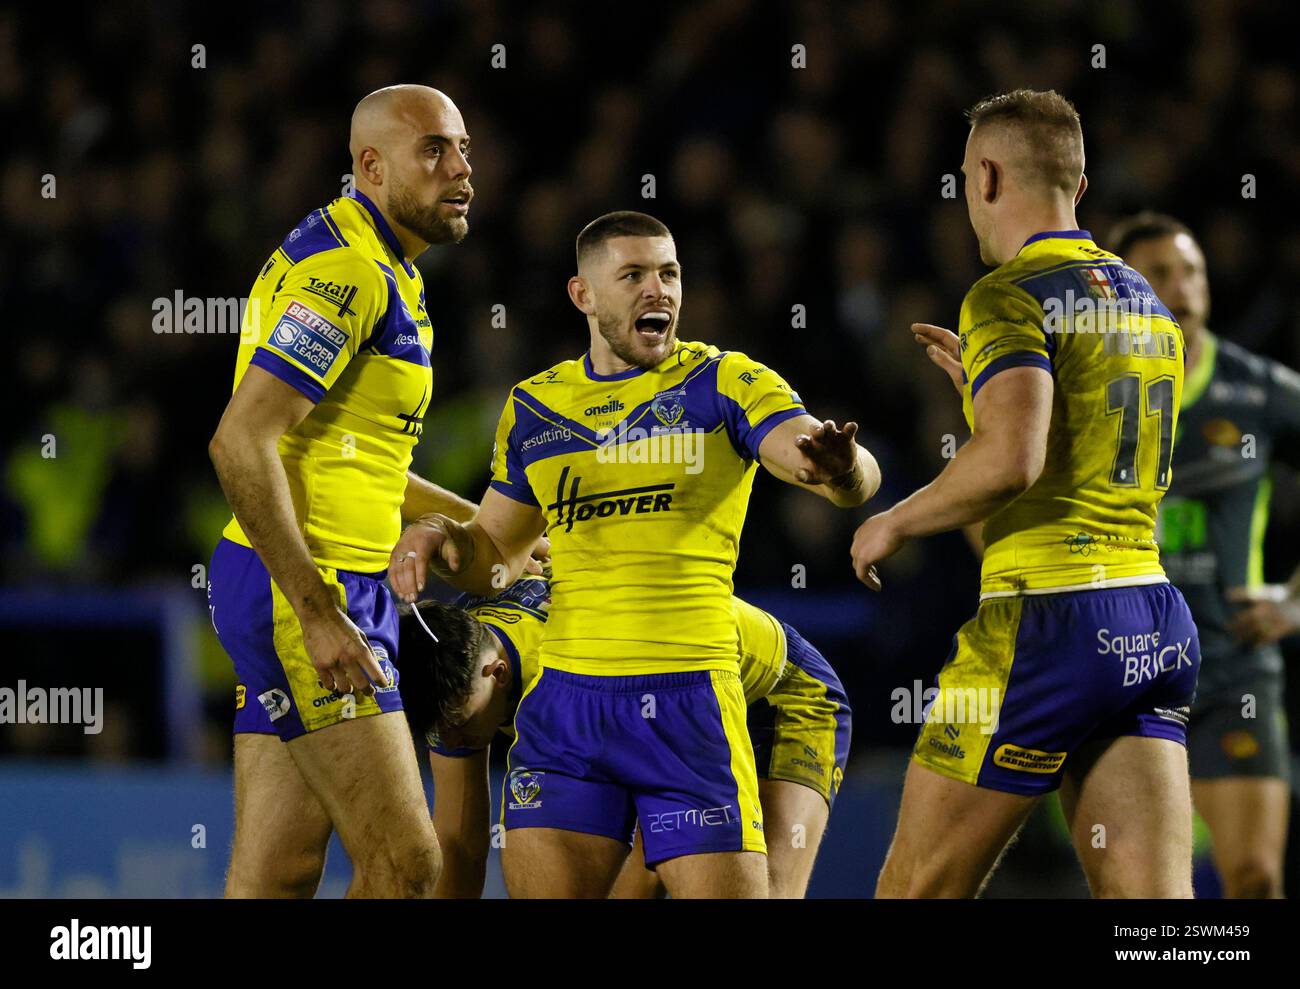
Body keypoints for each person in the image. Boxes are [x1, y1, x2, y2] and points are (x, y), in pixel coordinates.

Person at [391, 210, 880, 898]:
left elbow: (815, 456)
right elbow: (498, 554)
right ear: (583, 295)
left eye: (670, 273)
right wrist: (439, 530)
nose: (660, 291)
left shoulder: (724, 383)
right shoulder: (537, 407)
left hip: (689, 702)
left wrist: (842, 467)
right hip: (566, 711)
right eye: (634, 275)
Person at [851, 89, 1200, 898]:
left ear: (986, 176)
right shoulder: (1147, 302)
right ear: (1077, 191)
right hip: (1149, 619)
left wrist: (894, 521)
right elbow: (1069, 449)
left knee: (912, 892)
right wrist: (990, 393)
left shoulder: (1007, 295)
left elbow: (1013, 460)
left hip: (1048, 622)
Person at [207, 85, 479, 898]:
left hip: (325, 585)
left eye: (464, 149)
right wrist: (318, 611)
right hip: (311, 589)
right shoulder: (350, 274)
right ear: (371, 165)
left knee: (277, 874)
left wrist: (480, 526)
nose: (462, 169)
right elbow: (238, 440)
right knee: (408, 861)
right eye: (434, 150)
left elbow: (357, 459)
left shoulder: (375, 262)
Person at [395, 574, 850, 899]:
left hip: (780, 697)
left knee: (763, 889)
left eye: (458, 724)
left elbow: (655, 819)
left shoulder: (561, 669)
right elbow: (459, 843)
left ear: (499, 673)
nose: (454, 738)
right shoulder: (452, 664)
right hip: (667, 700)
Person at [1115, 211, 1300, 898]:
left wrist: (1293, 602)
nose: (1182, 285)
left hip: (1231, 667)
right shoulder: (1081, 392)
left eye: (1190, 269)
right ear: (1122, 290)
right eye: (1159, 273)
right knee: (1141, 891)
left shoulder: (1259, 390)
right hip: (1119, 669)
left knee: (1254, 877)